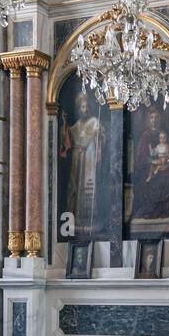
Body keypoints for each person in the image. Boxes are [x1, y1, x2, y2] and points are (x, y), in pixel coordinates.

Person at [62, 90, 103, 236]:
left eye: (86, 107)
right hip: (78, 161)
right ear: (79, 109)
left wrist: (99, 135)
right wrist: (64, 123)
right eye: (82, 107)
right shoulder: (78, 125)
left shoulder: (94, 122)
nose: (85, 110)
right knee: (76, 187)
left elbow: (101, 137)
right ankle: (77, 220)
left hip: (90, 163)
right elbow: (69, 134)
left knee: (89, 187)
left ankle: (90, 220)